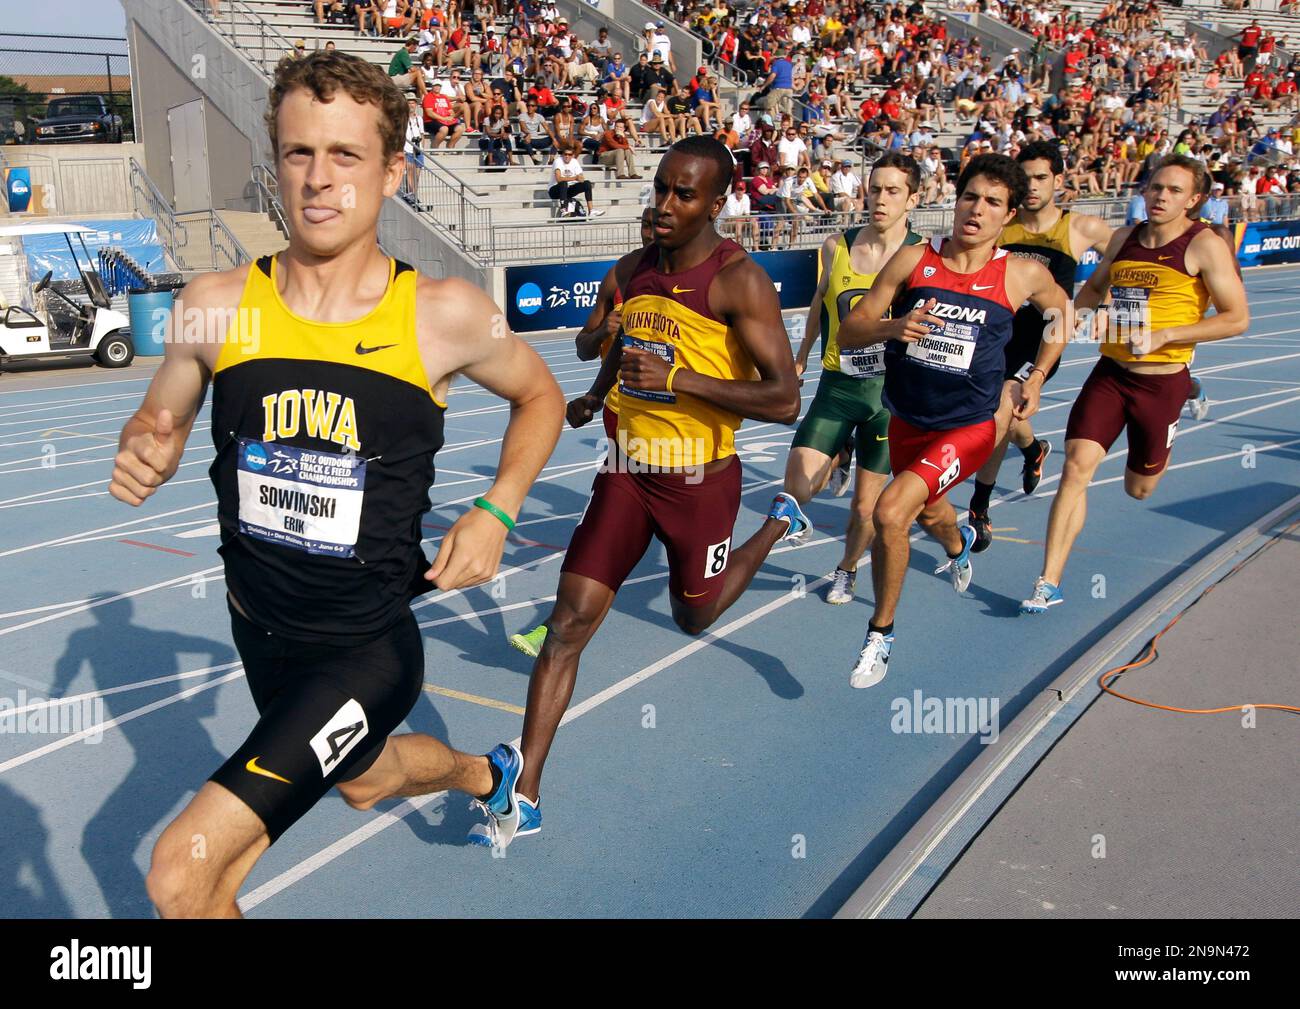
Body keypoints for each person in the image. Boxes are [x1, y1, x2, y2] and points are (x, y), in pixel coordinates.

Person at [110, 51, 565, 916]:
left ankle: (481, 772)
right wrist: (147, 438)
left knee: (181, 871)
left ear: (393, 171)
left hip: (366, 649)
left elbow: (541, 394)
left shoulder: (443, 313)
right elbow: (158, 412)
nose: (318, 181)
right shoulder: (213, 302)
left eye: (346, 156)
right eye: (298, 153)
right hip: (260, 635)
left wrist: (497, 508)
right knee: (365, 782)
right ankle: (488, 773)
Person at [481, 137, 803, 843]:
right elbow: (603, 344)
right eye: (658, 188)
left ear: (717, 204)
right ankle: (525, 791)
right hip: (626, 474)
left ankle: (778, 523)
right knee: (567, 623)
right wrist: (597, 388)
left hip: (701, 483)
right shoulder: (628, 270)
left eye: (682, 195)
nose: (662, 205)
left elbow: (785, 399)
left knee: (697, 617)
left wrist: (682, 381)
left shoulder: (738, 281)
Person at [835, 154, 1069, 687]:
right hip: (909, 418)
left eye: (992, 203)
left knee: (890, 512)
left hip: (970, 425)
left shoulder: (1021, 273)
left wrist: (1034, 378)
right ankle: (959, 545)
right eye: (969, 197)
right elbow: (851, 331)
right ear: (954, 199)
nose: (976, 210)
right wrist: (893, 329)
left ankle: (880, 635)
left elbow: (1063, 314)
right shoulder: (913, 261)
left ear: (1007, 216)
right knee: (929, 513)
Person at [1021, 155, 1249, 614]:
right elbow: (1092, 290)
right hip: (1111, 374)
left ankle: (1187, 395)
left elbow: (1237, 318)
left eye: (1173, 191)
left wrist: (1166, 335)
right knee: (1075, 468)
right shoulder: (1124, 238)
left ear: (1194, 199)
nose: (1161, 197)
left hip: (1162, 384)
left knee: (1139, 489)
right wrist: (1069, 319)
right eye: (1154, 187)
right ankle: (1048, 582)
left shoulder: (1203, 245)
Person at [509, 209, 657, 660]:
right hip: (620, 417)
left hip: (679, 430)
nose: (654, 235)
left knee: (695, 599)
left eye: (660, 228)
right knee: (602, 534)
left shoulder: (694, 283)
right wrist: (603, 333)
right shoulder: (619, 277)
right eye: (647, 227)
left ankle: (775, 520)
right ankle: (557, 627)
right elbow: (580, 346)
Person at [787, 152, 925, 605]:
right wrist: (802, 356)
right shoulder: (836, 246)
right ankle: (838, 450)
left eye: (892, 191)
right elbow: (819, 301)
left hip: (887, 397)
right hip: (838, 385)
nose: (879, 200)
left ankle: (846, 570)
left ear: (912, 199)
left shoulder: (922, 256)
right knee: (797, 490)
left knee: (867, 507)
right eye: (874, 189)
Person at [966, 141, 1114, 553]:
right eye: (1025, 177)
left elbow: (1128, 255)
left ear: (1059, 181)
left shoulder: (1080, 228)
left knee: (999, 409)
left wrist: (1102, 303)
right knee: (1005, 414)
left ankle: (979, 507)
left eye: (1040, 178)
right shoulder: (1003, 224)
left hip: (1043, 340)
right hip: (996, 335)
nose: (1031, 186)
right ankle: (1033, 449)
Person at [549, 143, 603, 218]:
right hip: (554, 190)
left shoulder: (574, 161)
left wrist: (578, 178)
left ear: (573, 155)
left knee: (587, 183)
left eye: (569, 154)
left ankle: (591, 210)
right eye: (565, 154)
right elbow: (559, 179)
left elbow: (581, 178)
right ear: (562, 154)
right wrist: (574, 178)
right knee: (563, 183)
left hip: (568, 189)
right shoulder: (558, 161)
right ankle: (564, 211)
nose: (567, 156)